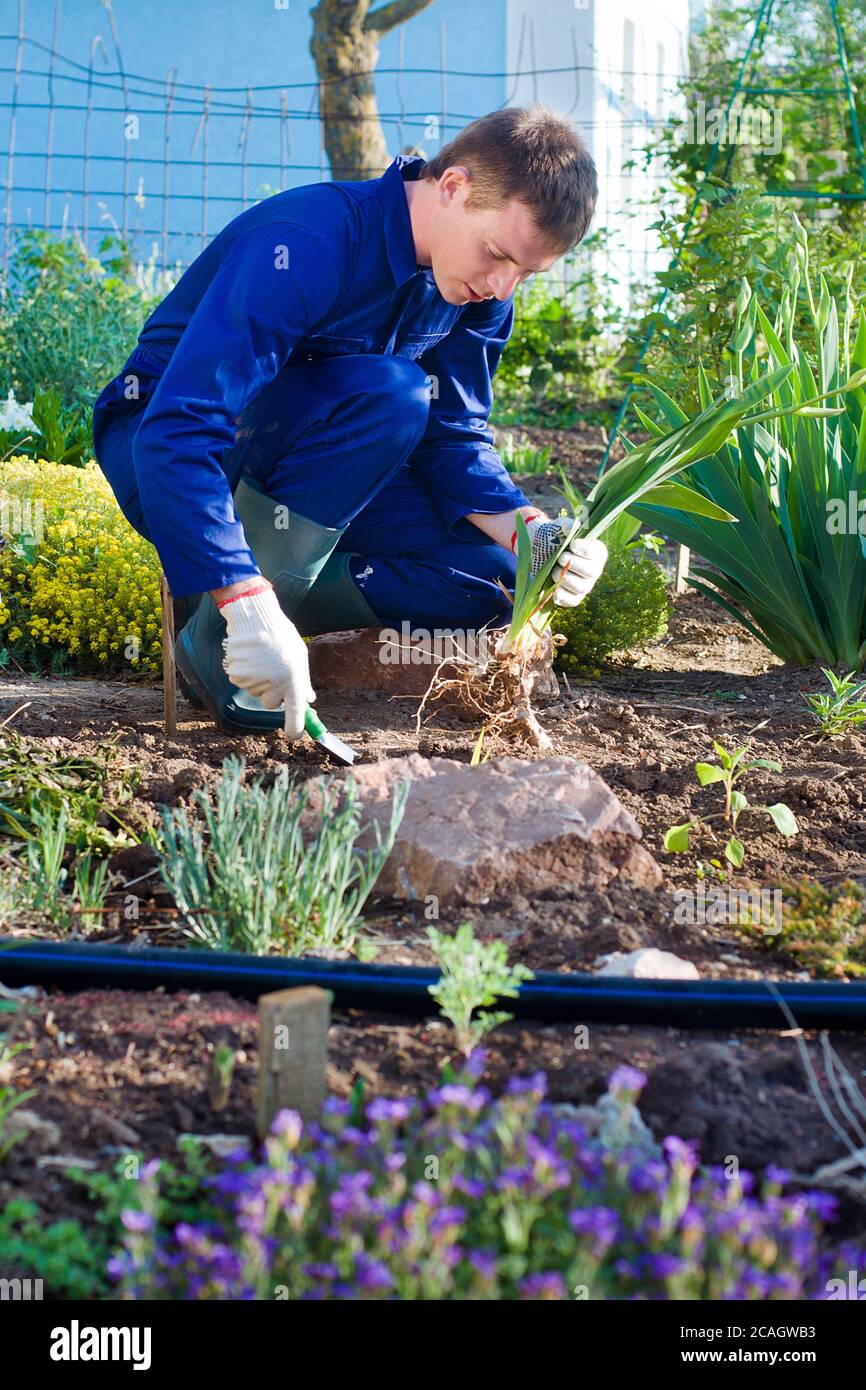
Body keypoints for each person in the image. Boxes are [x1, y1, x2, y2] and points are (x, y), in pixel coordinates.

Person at [92, 104, 608, 736]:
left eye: (527, 273)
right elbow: (180, 430)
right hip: (171, 452)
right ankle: (233, 615)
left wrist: (536, 537)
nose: (503, 288)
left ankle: (231, 613)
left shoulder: (476, 291)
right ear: (453, 187)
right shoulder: (306, 242)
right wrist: (242, 595)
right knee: (388, 390)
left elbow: (454, 434)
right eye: (499, 255)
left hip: (320, 464)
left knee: (491, 579)